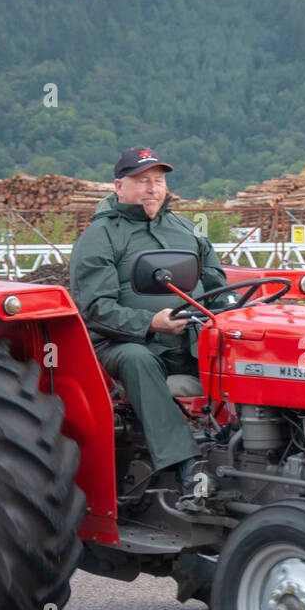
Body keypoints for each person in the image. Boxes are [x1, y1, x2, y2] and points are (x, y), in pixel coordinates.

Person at [69, 146, 227, 501]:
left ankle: (250, 447)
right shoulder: (101, 236)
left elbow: (218, 286)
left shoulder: (186, 230)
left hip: (188, 337)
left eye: (158, 181)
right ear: (118, 186)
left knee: (243, 350)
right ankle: (187, 465)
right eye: (141, 181)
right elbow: (94, 308)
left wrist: (230, 314)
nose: (152, 188)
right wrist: (150, 322)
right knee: (137, 360)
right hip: (121, 344)